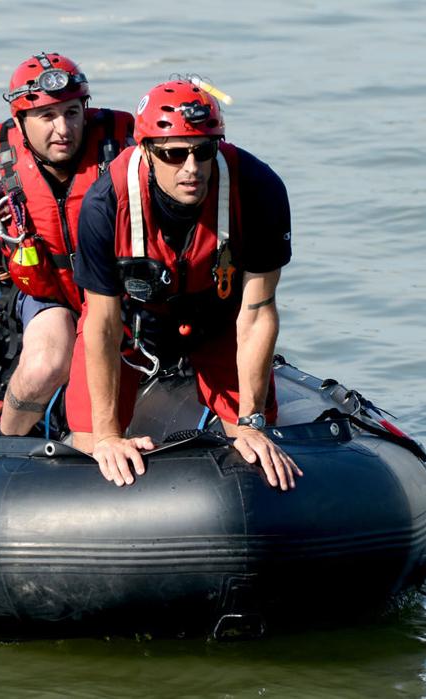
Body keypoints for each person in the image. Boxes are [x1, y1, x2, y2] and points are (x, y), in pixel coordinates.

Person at [68, 78, 301, 490]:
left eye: (203, 151)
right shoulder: (104, 204)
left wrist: (251, 421)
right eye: (173, 154)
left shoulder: (260, 188)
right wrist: (106, 436)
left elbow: (258, 310)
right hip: (130, 327)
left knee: (252, 445)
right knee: (91, 445)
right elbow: (102, 324)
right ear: (146, 151)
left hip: (218, 319)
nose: (191, 168)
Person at [0, 52, 133, 435]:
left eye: (72, 113)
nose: (64, 129)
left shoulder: (127, 154)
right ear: (20, 122)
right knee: (45, 364)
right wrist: (10, 274)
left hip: (117, 289)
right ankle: (6, 441)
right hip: (46, 289)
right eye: (47, 116)